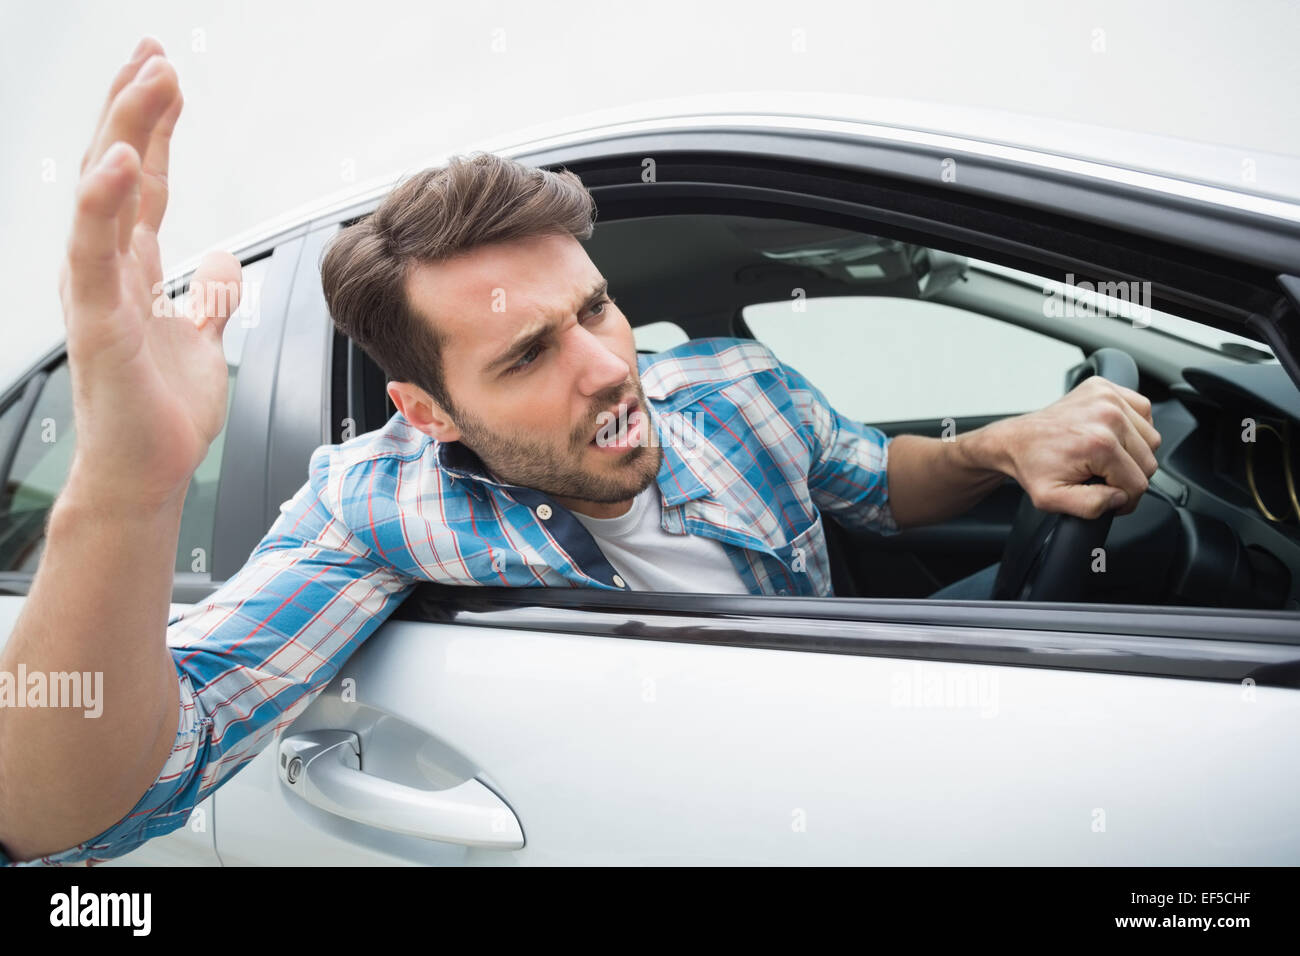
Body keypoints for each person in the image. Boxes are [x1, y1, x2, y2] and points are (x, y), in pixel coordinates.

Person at [0, 38, 1161, 865]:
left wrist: (1007, 445)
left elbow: (871, 483)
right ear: (428, 410)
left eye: (597, 309)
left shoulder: (738, 388)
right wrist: (126, 479)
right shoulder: (377, 503)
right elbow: (75, 808)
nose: (610, 366)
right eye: (525, 355)